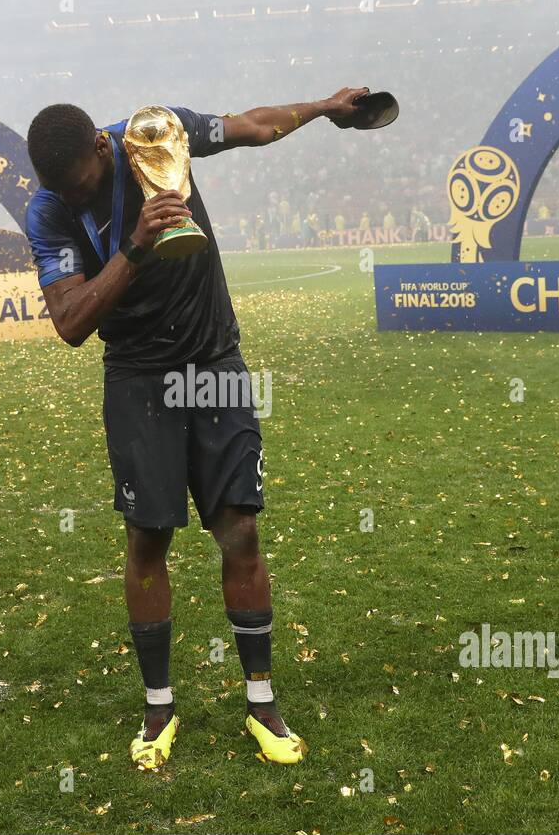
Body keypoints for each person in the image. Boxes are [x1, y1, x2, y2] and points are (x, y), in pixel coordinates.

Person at [24, 87, 368, 769]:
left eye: (85, 185)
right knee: (147, 537)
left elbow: (252, 126)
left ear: (103, 147)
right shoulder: (49, 212)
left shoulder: (155, 137)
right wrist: (138, 246)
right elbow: (70, 324)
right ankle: (159, 711)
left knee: (239, 529)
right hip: (137, 378)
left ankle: (262, 702)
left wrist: (326, 106)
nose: (77, 199)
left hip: (213, 361)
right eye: (64, 193)